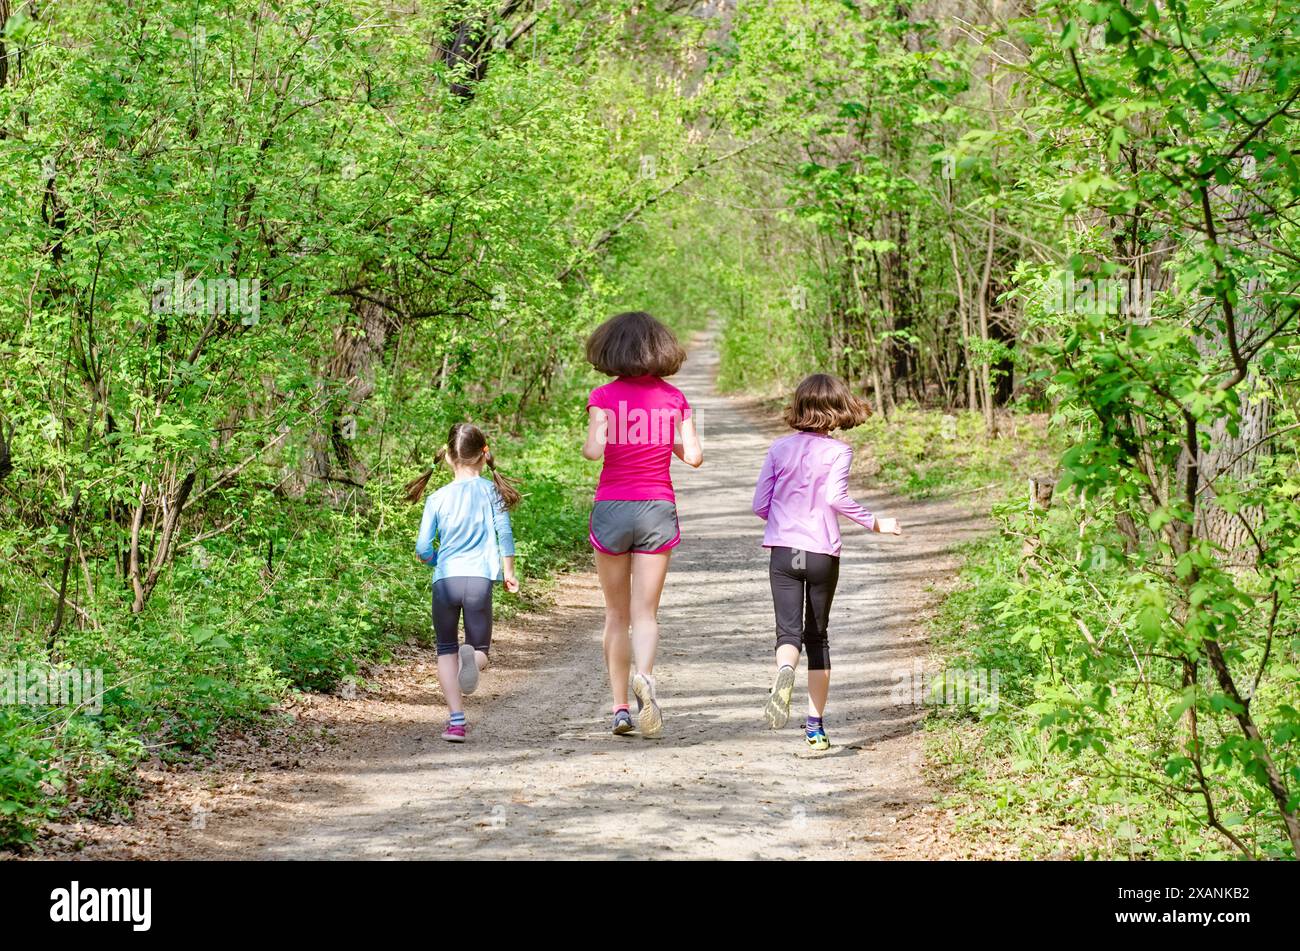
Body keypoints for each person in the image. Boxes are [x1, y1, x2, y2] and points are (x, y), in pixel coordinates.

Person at [752, 374, 901, 750]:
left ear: (800, 406)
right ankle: (815, 727)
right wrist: (876, 522)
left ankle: (785, 670)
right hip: (819, 553)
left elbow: (759, 505)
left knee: (787, 634)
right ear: (836, 411)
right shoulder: (839, 451)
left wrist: (786, 519)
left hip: (786, 552)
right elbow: (836, 497)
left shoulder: (779, 448)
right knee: (817, 638)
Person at [582, 311, 703, 737]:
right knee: (646, 612)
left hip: (612, 506)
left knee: (616, 614)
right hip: (656, 507)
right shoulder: (674, 399)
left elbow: (593, 451)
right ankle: (646, 680)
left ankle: (619, 708)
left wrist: (606, 430)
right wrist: (661, 437)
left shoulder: (601, 396)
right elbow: (694, 456)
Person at [407, 423, 520, 743]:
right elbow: (505, 537)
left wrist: (435, 561)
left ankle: (456, 722)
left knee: (445, 649)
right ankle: (471, 658)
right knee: (479, 649)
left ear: (448, 459)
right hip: (478, 579)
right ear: (484, 457)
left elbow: (423, 549)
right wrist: (509, 573)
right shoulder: (492, 492)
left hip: (445, 581)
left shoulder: (437, 498)